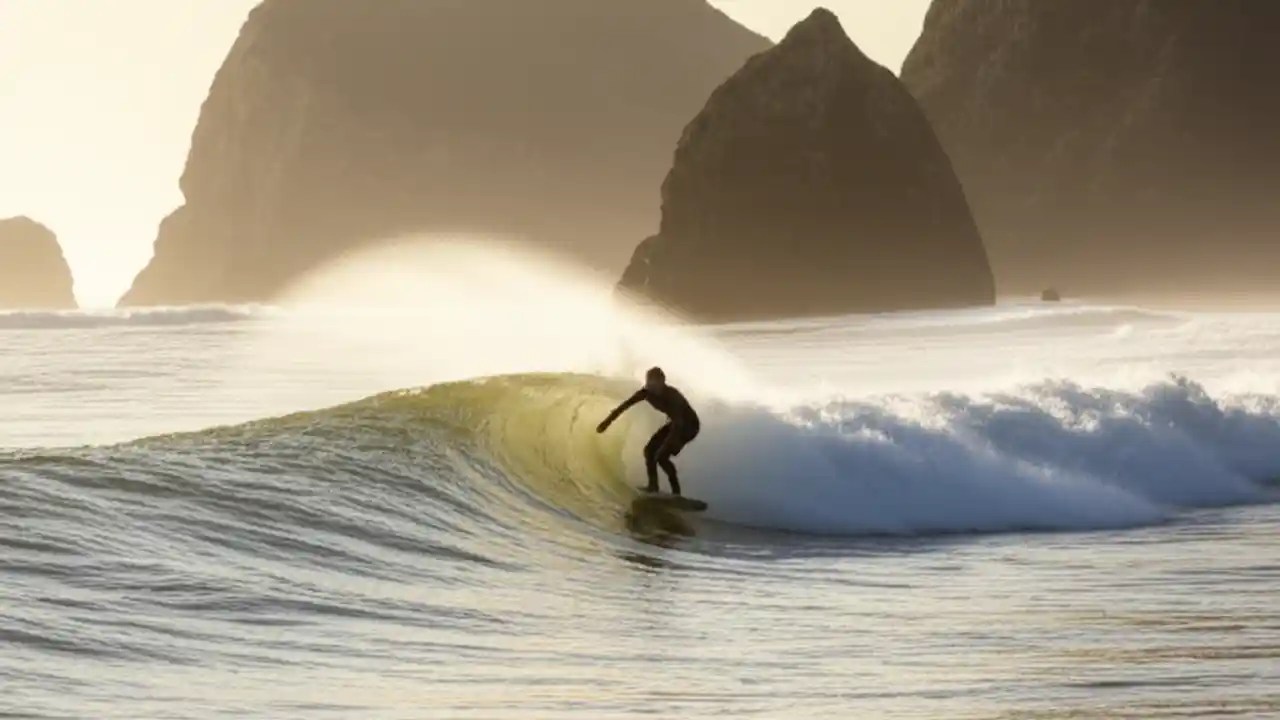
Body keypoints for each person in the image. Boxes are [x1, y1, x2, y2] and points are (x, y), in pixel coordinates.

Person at [597, 367, 701, 496]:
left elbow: (678, 424)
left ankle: (676, 493)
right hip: (675, 424)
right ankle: (653, 486)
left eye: (656, 384)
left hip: (689, 426)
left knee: (661, 457)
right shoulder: (645, 393)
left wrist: (668, 445)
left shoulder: (673, 396)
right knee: (649, 451)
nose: (653, 387)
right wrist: (606, 423)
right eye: (650, 383)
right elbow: (624, 406)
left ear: (663, 382)